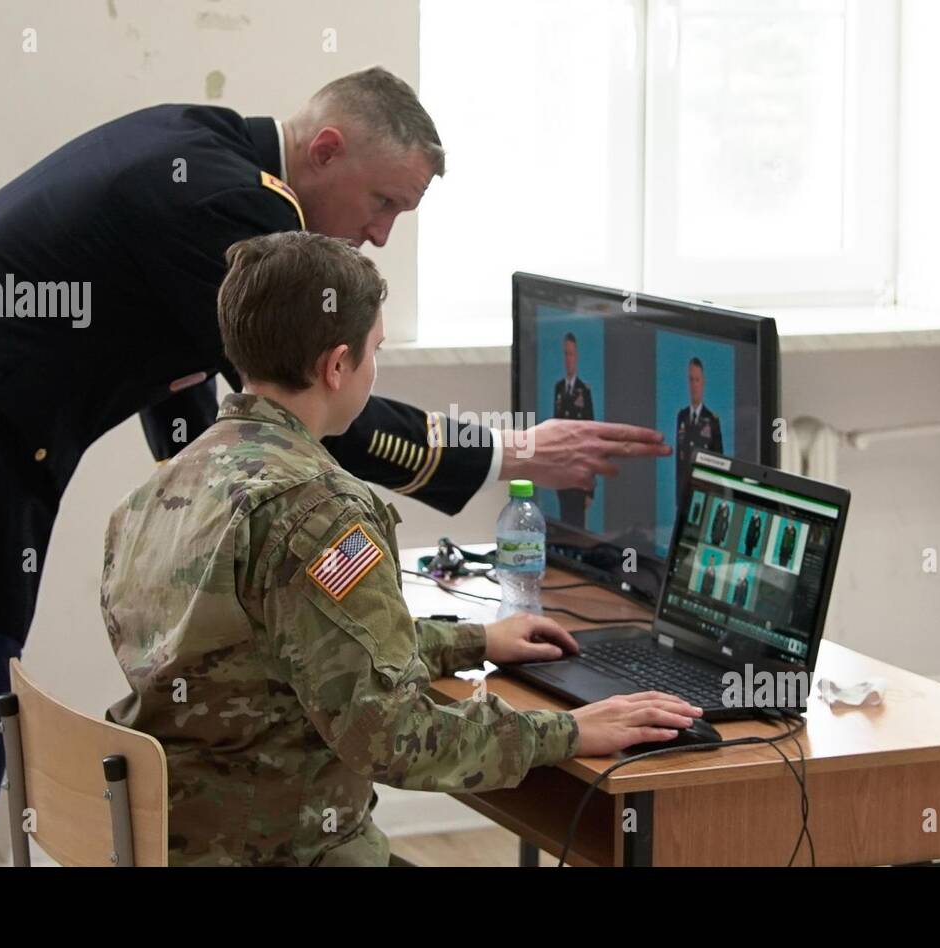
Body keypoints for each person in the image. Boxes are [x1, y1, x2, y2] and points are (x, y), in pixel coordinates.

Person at [0, 66, 669, 865]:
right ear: (327, 148)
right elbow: (386, 726)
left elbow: (198, 366)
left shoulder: (195, 149)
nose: (381, 232)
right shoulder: (227, 203)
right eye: (383, 203)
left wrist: (470, 638)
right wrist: (508, 451)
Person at [101, 232, 702, 865]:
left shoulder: (160, 489)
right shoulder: (319, 512)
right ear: (337, 366)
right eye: (376, 350)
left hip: (168, 839)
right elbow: (391, 737)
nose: (375, 365)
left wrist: (473, 642)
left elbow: (280, 652)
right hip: (284, 851)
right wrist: (573, 731)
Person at [552, 332, 595, 526]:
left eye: (571, 354)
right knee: (563, 527)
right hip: (562, 475)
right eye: (565, 354)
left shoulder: (584, 391)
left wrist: (590, 489)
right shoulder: (559, 389)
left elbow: (592, 441)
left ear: (576, 357)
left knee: (577, 530)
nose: (568, 359)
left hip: (579, 476)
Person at [675, 357, 724, 509]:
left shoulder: (712, 419)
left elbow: (719, 463)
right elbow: (679, 461)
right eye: (691, 380)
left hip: (704, 494)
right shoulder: (682, 416)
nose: (694, 385)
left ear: (703, 383)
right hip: (684, 494)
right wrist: (678, 496)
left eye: (697, 380)